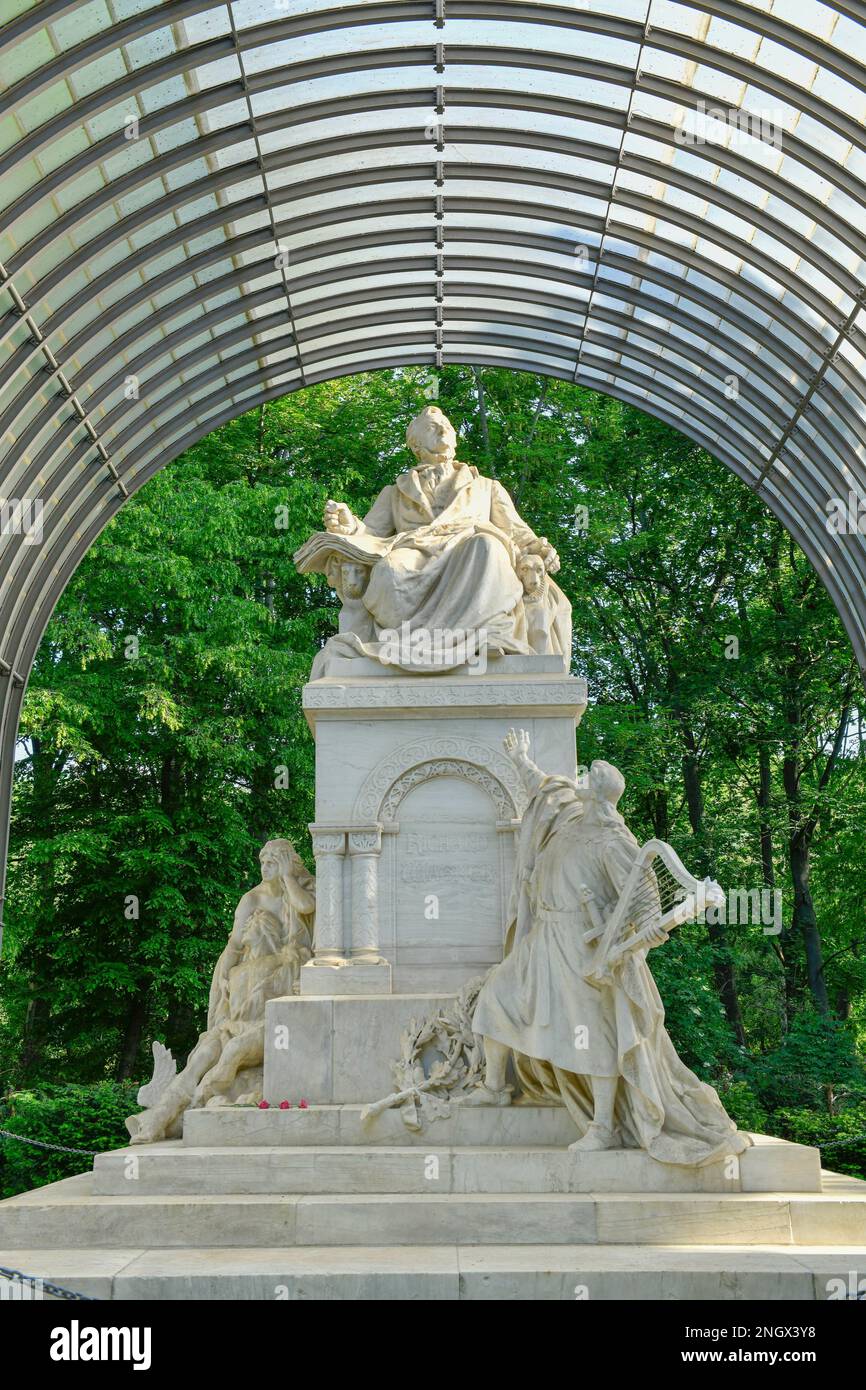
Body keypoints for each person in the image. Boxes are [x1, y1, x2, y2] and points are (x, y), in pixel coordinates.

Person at [465, 730, 751, 1167]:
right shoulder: (570, 818)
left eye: (588, 775)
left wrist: (643, 936)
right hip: (544, 937)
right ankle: (494, 1088)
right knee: (496, 998)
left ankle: (603, 1126)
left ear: (598, 793)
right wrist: (522, 758)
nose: (578, 776)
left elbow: (645, 903)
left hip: (583, 948)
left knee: (592, 1034)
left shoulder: (615, 842)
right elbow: (544, 789)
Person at [295, 406, 571, 671]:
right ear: (416, 445)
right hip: (416, 552)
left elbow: (517, 532)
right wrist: (348, 526)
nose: (443, 430)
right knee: (389, 569)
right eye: (432, 427)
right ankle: (419, 642)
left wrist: (538, 548)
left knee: (487, 547)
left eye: (447, 427)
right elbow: (370, 535)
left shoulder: (487, 487)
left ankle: (486, 635)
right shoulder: (394, 492)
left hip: (468, 551)